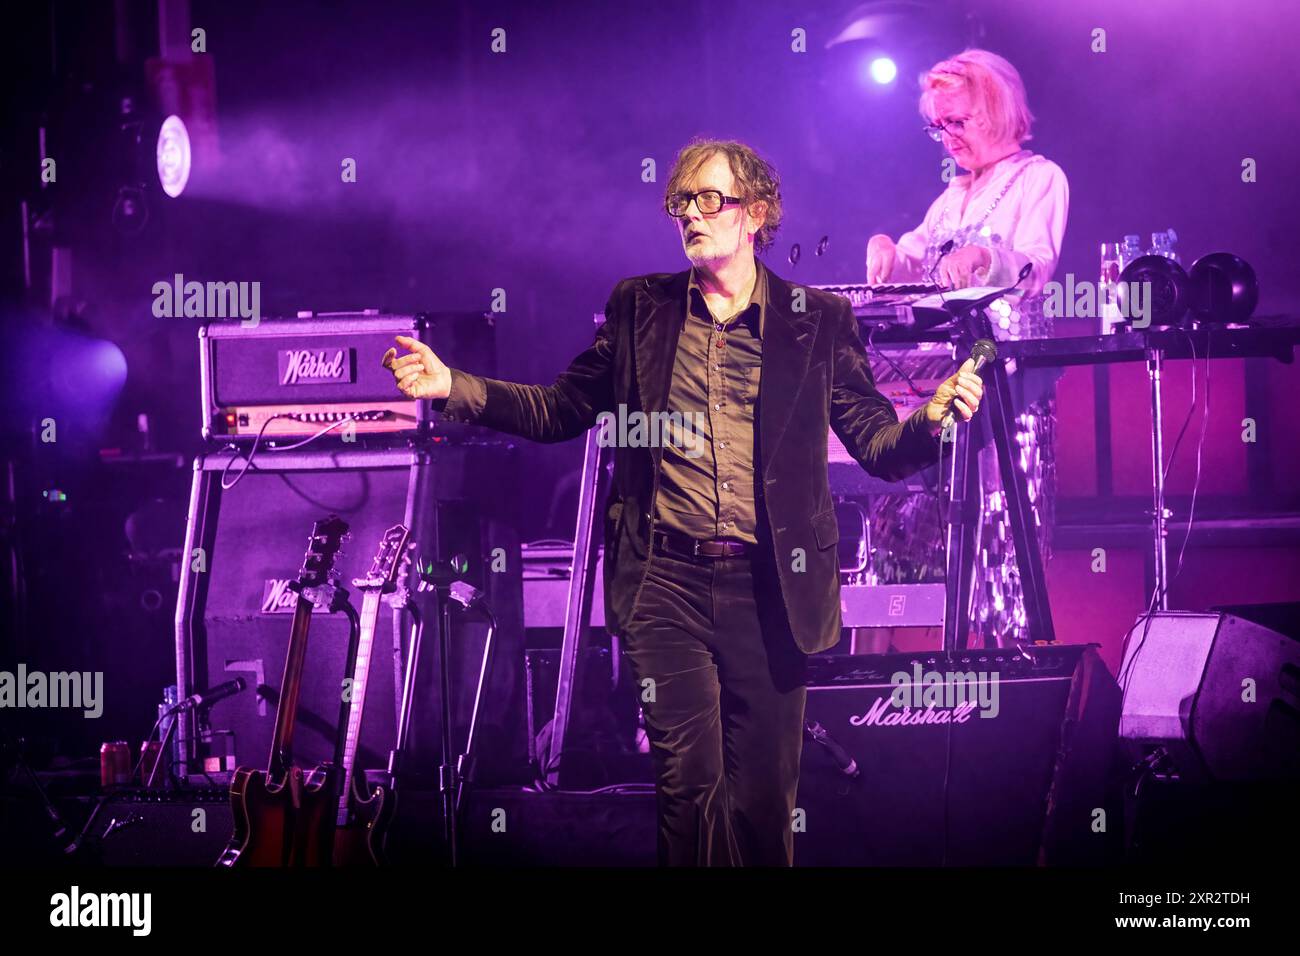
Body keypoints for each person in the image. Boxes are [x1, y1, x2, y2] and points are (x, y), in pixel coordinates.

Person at [385, 139, 983, 866]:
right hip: (664, 582)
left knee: (763, 806)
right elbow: (562, 407)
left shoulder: (816, 320)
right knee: (688, 790)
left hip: (772, 587)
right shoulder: (640, 308)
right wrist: (456, 387)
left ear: (756, 213)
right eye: (680, 203)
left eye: (709, 199)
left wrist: (931, 419)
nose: (691, 216)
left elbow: (878, 446)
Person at [864, 49, 1068, 647]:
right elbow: (913, 259)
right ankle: (861, 692)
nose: (947, 137)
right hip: (936, 389)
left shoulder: (1039, 178)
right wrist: (887, 249)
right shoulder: (950, 197)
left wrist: (986, 258)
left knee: (1002, 547)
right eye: (938, 125)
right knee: (896, 532)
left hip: (1008, 390)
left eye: (959, 122)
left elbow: (1036, 264)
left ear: (998, 111)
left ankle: (1013, 703)